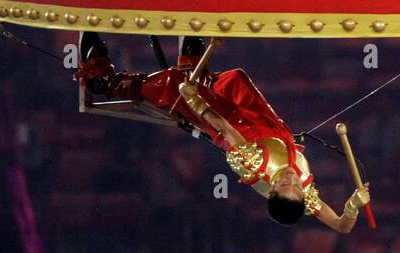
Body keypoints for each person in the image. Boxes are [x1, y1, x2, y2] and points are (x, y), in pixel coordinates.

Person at [74, 33, 371, 231]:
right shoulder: (304, 194)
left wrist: (194, 100)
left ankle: (107, 81)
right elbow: (342, 226)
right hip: (265, 121)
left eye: (284, 188)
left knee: (175, 85)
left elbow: (223, 126)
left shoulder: (256, 166)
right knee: (236, 79)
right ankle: (199, 72)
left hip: (232, 123)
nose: (292, 181)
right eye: (295, 189)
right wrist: (352, 206)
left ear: (271, 192)